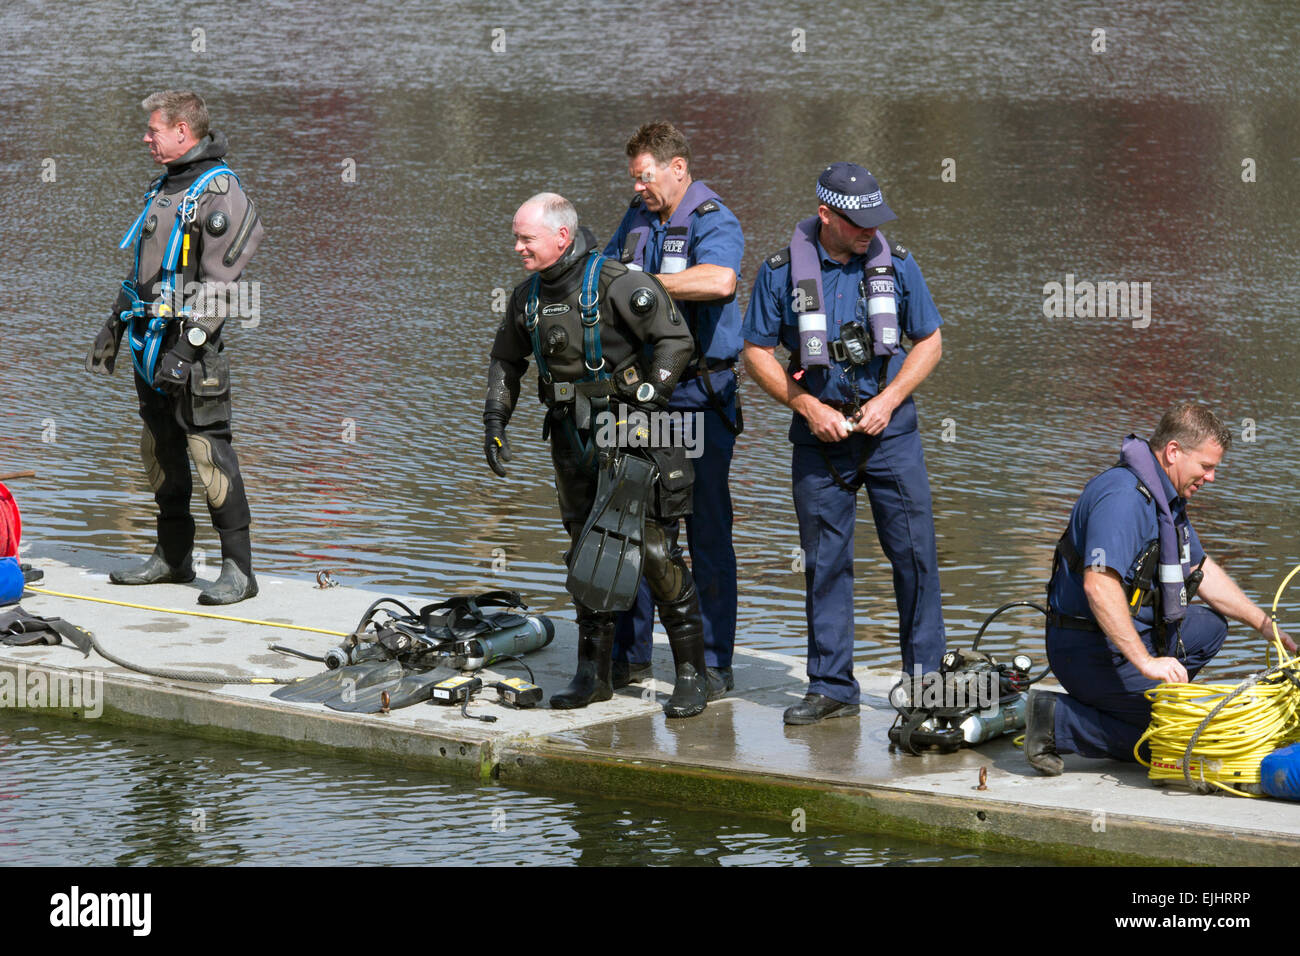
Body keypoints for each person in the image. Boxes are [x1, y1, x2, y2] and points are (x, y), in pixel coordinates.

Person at [483, 192, 711, 718]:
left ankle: (692, 676)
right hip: (571, 440)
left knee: (656, 555)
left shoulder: (618, 283)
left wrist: (652, 394)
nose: (517, 247)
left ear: (561, 237)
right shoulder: (527, 298)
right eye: (516, 238)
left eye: (526, 238)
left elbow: (676, 342)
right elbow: (505, 362)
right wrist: (495, 422)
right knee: (588, 554)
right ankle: (594, 675)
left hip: (633, 436)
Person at [741, 162, 947, 725]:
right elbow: (756, 351)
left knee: (914, 557)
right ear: (825, 215)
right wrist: (806, 406)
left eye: (875, 222)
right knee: (825, 562)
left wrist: (890, 399)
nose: (869, 232)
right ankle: (831, 686)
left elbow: (929, 339)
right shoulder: (781, 273)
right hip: (819, 440)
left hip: (891, 436)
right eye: (858, 223)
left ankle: (925, 685)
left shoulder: (897, 265)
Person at [1027, 402, 1296, 774]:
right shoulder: (1124, 498)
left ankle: (1139, 702)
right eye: (1206, 466)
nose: (1211, 477)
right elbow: (1098, 587)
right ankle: (1058, 719)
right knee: (1177, 739)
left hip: (1133, 636)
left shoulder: (1166, 498)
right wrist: (1147, 662)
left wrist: (1267, 627)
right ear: (1173, 452)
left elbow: (1202, 570)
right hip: (1087, 648)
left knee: (1212, 626)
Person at [87, 91, 263, 605]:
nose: (146, 137)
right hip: (148, 343)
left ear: (183, 131)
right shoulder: (164, 186)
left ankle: (239, 570)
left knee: (209, 451)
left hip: (193, 350)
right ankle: (174, 558)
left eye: (153, 130)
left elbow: (221, 289)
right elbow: (143, 272)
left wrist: (185, 353)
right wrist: (114, 325)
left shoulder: (220, 191)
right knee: (159, 450)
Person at [604, 122, 745, 696]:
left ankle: (713, 661)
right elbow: (609, 271)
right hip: (642, 392)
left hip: (700, 394)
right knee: (634, 520)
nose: (639, 186)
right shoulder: (636, 217)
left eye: (646, 176)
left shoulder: (715, 219)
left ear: (677, 168)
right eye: (634, 177)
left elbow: (720, 280)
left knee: (704, 528)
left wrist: (645, 284)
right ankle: (630, 654)